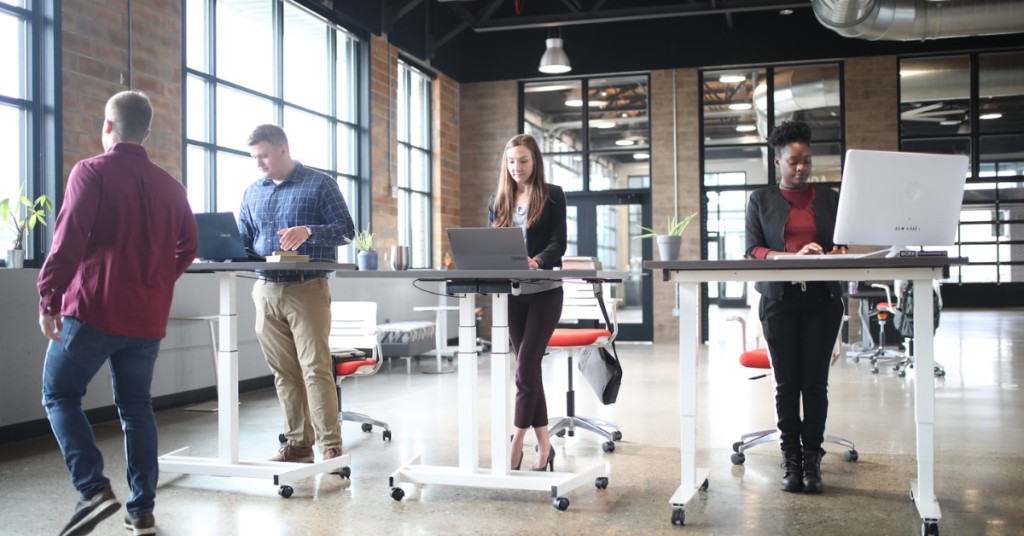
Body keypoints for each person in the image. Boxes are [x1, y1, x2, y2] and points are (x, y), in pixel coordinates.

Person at [38, 90, 198, 536]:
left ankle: (93, 489)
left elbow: (68, 240)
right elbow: (190, 245)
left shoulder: (91, 171)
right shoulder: (172, 186)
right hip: (146, 319)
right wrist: (159, 278)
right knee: (136, 408)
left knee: (59, 395)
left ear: (107, 125)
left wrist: (49, 297)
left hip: (93, 311)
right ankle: (141, 510)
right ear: (147, 132)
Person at [239, 124, 355, 468]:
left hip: (307, 288)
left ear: (283, 149)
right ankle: (298, 444)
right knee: (284, 373)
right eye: (253, 157)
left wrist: (310, 231)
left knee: (315, 369)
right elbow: (246, 240)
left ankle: (331, 447)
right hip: (265, 289)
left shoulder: (320, 184)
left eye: (263, 155)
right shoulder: (251, 192)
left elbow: (346, 231)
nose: (258, 163)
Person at [744, 120, 848, 494]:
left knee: (815, 384)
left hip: (822, 299)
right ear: (777, 162)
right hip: (779, 299)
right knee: (787, 384)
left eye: (806, 160)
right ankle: (790, 455)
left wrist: (838, 251)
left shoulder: (832, 197)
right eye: (793, 161)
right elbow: (753, 249)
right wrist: (791, 254)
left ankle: (812, 459)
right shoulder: (761, 200)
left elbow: (844, 241)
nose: (801, 167)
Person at [488, 134, 567, 472]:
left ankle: (516, 442)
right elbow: (491, 242)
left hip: (545, 292)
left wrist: (537, 260)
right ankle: (546, 444)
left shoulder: (552, 196)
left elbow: (558, 243)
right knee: (528, 369)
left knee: (524, 369)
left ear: (534, 161)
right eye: (511, 161)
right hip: (513, 294)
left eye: (523, 160)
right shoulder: (498, 200)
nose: (516, 167)